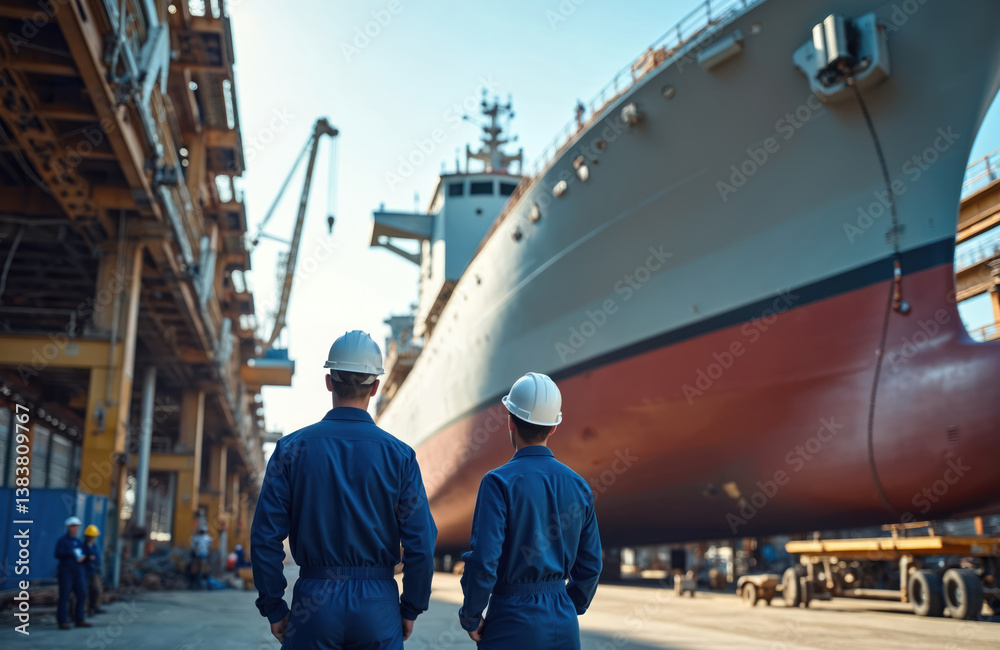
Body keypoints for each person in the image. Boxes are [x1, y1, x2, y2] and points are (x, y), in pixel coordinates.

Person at [251, 330, 437, 649]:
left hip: (314, 602)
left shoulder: (290, 449)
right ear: (375, 387)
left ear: (329, 382)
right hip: (378, 605)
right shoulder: (401, 456)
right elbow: (421, 543)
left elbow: (265, 537)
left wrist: (275, 607)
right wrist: (410, 607)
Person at [459, 372, 602, 649]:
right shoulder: (579, 486)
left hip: (511, 620)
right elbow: (591, 566)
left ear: (510, 421)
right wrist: (567, 606)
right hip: (563, 624)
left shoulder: (498, 482)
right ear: (553, 428)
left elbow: (484, 561)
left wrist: (471, 615)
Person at [54, 516, 91, 630]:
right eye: (73, 526)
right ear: (69, 527)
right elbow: (57, 554)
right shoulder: (62, 541)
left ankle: (79, 619)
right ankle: (62, 621)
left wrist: (86, 557)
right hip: (66, 572)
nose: (75, 528)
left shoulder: (78, 541)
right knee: (64, 596)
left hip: (78, 571)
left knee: (82, 593)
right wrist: (72, 554)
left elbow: (85, 554)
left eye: (76, 526)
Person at [82, 525, 105, 615]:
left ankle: (94, 607)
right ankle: (86, 609)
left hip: (93, 571)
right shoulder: (83, 546)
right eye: (93, 537)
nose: (94, 538)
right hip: (85, 571)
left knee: (97, 589)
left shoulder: (94, 546)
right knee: (85, 591)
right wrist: (88, 558)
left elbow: (97, 558)